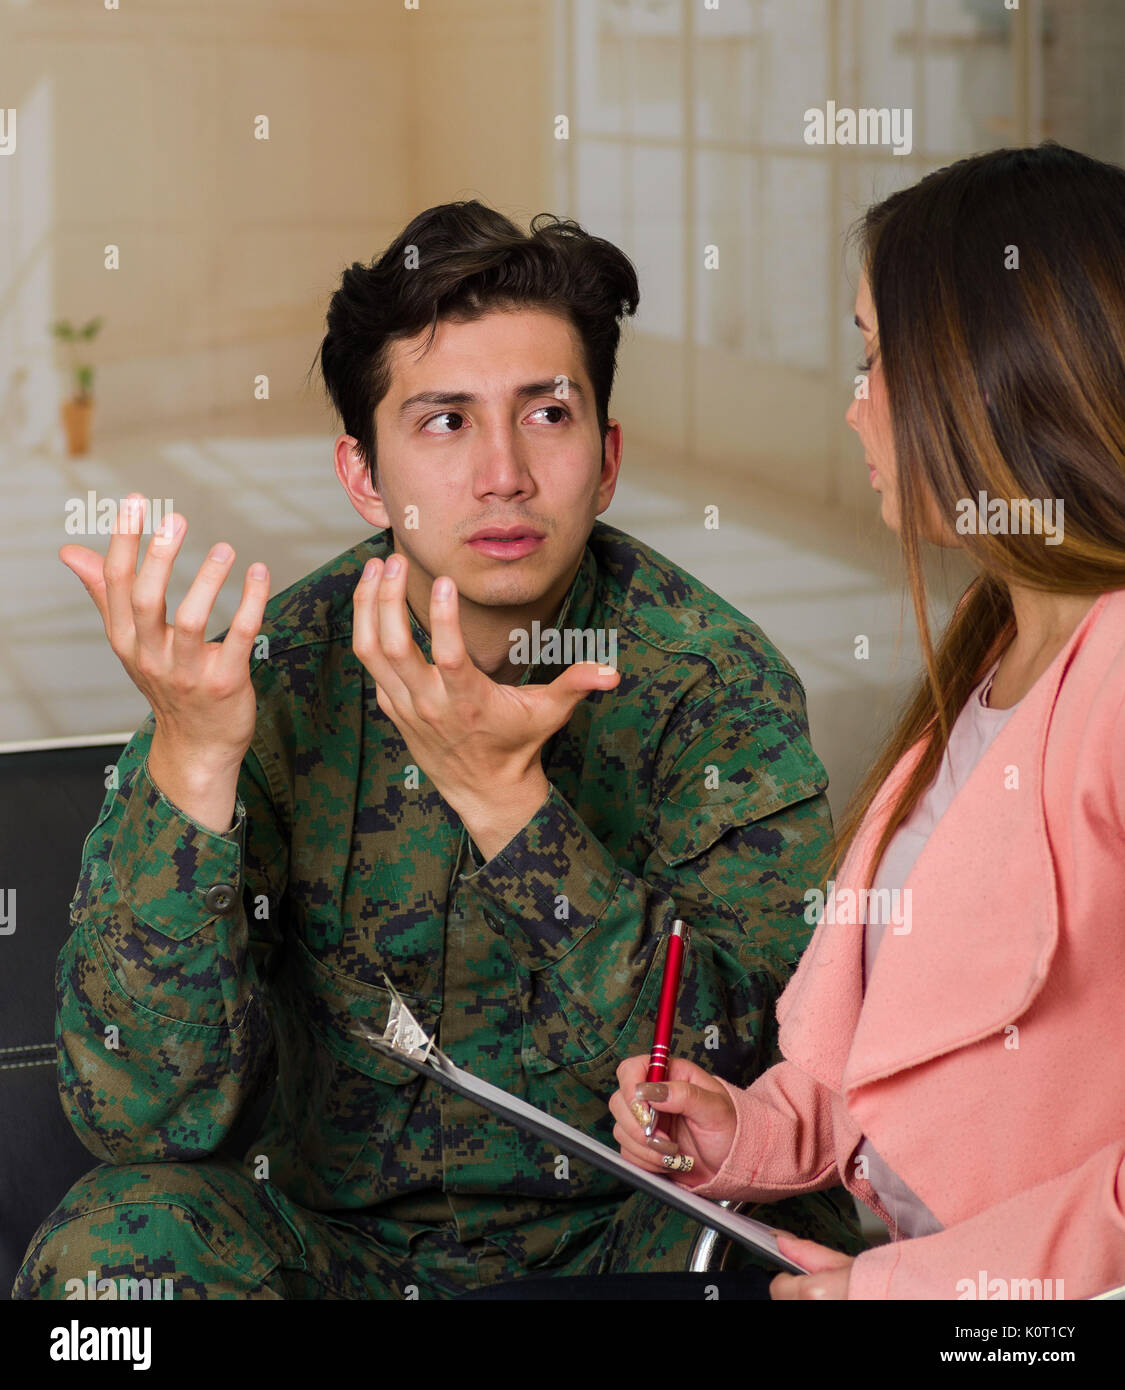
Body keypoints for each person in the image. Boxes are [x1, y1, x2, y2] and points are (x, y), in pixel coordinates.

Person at [14, 201, 861, 1300]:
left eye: (545, 414)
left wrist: (511, 808)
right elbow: (139, 1112)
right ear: (364, 474)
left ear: (605, 459)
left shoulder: (716, 684)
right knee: (116, 1253)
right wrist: (191, 760)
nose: (503, 472)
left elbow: (748, 1078)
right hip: (326, 1247)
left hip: (626, 1242)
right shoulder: (268, 677)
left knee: (802, 1247)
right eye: (445, 422)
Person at [611, 142, 1125, 1301]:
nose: (856, 411)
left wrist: (912, 1295)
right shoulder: (994, 659)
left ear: (995, 376)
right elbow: (911, 1058)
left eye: (874, 359)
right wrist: (739, 1129)